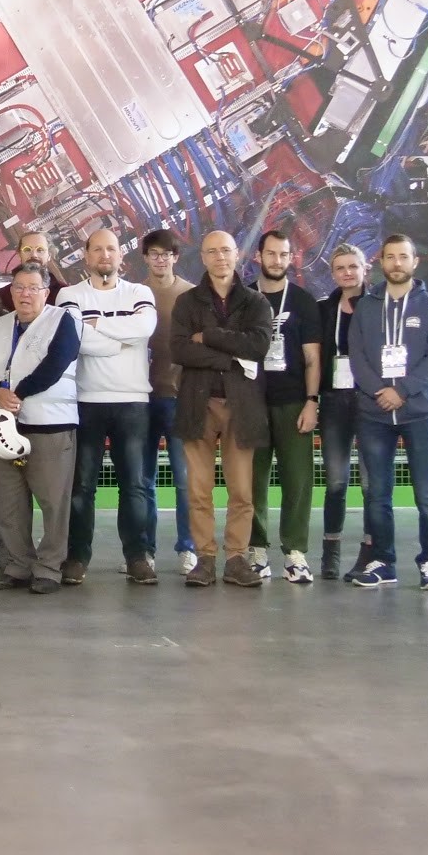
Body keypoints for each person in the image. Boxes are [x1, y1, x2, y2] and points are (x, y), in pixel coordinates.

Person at [168, 231, 273, 588]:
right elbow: (181, 350)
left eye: (226, 250)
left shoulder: (256, 302)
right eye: (212, 251)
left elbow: (258, 346)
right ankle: (206, 558)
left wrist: (209, 336)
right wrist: (231, 358)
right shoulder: (187, 302)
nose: (220, 257)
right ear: (203, 257)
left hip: (241, 405)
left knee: (242, 489)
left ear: (237, 254)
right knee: (198, 489)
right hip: (198, 404)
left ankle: (236, 558)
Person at [347, 233, 428, 591]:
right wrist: (380, 391)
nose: (396, 263)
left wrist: (401, 391)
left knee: (426, 494)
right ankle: (384, 562)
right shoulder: (366, 306)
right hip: (374, 414)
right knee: (377, 493)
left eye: (403, 257)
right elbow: (356, 356)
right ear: (381, 262)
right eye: (390, 257)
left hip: (419, 414)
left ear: (414, 262)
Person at [56, 228, 159, 585]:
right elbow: (76, 337)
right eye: (97, 249)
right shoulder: (69, 294)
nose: (104, 255)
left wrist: (98, 325)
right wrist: (120, 340)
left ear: (121, 255)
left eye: (110, 249)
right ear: (86, 256)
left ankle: (137, 557)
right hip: (86, 402)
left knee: (134, 484)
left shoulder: (140, 292)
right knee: (82, 486)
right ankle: (76, 557)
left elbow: (145, 327)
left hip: (132, 402)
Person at [0, 264, 83, 594]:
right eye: (19, 287)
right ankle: (17, 565)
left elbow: (56, 364)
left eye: (33, 287)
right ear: (10, 291)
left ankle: (49, 569)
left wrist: (18, 392)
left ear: (46, 291)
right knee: (8, 500)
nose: (25, 294)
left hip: (50, 425)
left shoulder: (62, 321)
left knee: (53, 502)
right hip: (6, 427)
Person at [246, 228, 323, 584]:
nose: (277, 260)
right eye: (271, 254)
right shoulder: (244, 298)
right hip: (252, 404)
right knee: (252, 481)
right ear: (258, 257)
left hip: (293, 403)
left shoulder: (304, 301)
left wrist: (311, 402)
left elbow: (312, 358)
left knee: (297, 480)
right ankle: (256, 548)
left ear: (291, 258)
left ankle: (295, 552)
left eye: (284, 254)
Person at [141, 229, 195, 574]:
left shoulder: (190, 294)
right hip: (140, 400)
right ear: (145, 257)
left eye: (167, 254)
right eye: (154, 254)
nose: (161, 259)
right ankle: (144, 550)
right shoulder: (133, 294)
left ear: (176, 257)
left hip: (179, 399)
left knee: (184, 479)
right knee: (142, 479)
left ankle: (187, 547)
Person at [315, 243, 370, 581]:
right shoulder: (325, 307)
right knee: (336, 481)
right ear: (333, 273)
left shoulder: (379, 305)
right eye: (340, 268)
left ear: (365, 269)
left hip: (370, 401)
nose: (347, 273)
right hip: (335, 401)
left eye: (353, 266)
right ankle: (330, 552)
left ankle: (370, 552)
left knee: (371, 484)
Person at [0, 229, 65, 311]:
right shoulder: (3, 297)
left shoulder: (63, 293)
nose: (34, 255)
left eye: (40, 250)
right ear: (19, 254)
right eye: (27, 250)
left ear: (49, 255)